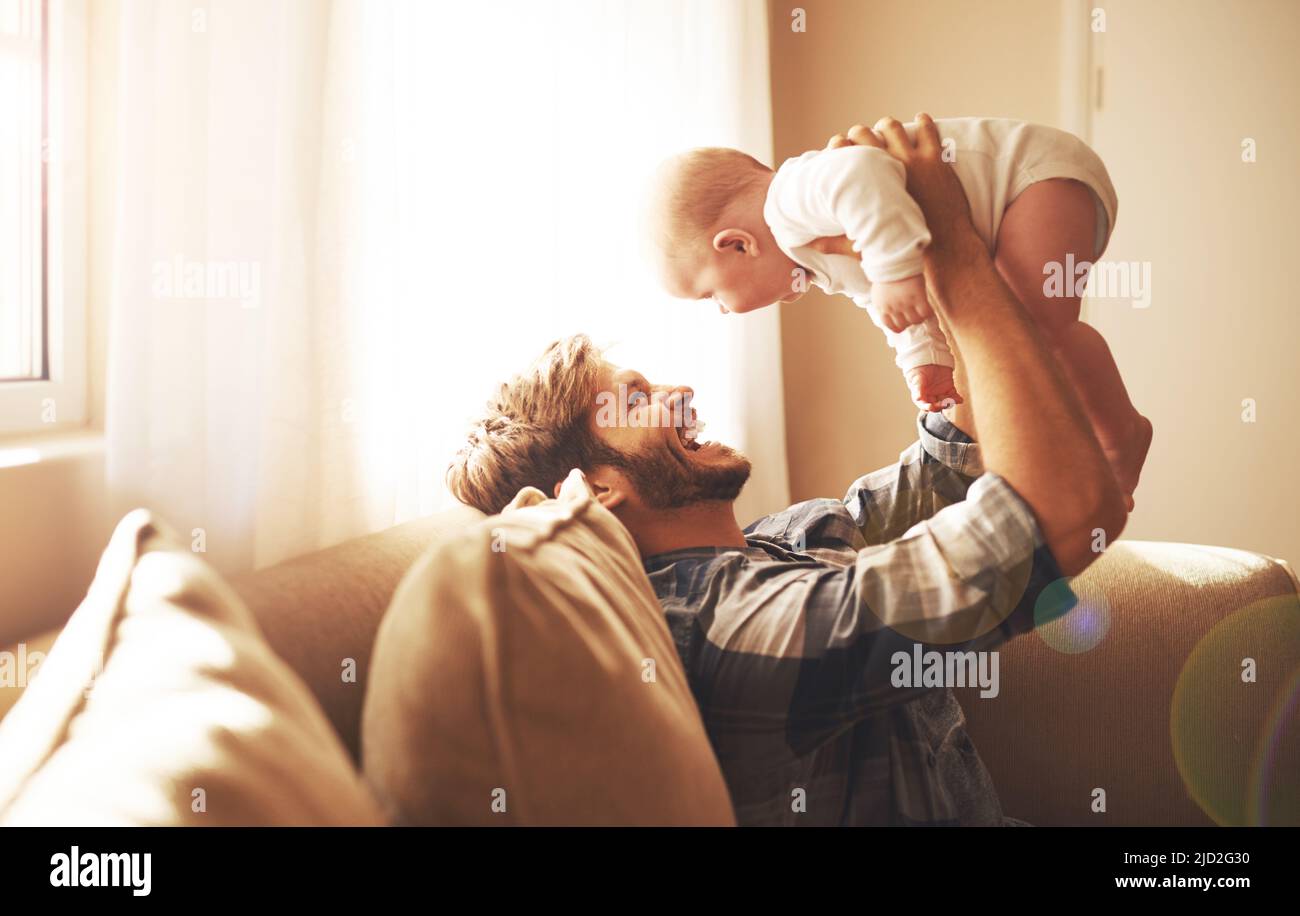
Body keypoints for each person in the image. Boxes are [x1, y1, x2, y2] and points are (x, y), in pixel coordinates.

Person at [446, 114, 1128, 825]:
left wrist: (915, 246)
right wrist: (954, 247)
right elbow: (1065, 514)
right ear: (598, 492)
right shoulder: (736, 630)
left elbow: (953, 464)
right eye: (637, 400)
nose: (679, 394)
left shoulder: (787, 539)